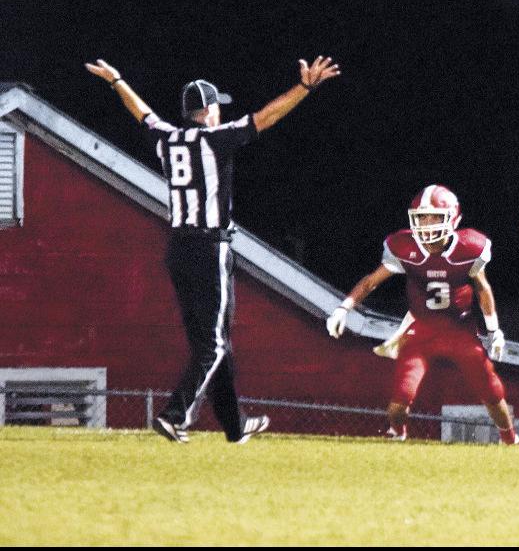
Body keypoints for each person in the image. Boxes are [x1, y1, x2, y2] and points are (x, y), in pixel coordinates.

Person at [85, 56, 340, 443]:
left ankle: (235, 425)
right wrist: (304, 89)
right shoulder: (215, 139)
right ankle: (175, 415)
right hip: (209, 246)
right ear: (206, 112)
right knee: (215, 343)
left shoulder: (169, 138)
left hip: (178, 249)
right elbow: (265, 118)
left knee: (211, 342)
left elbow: (142, 113)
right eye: (217, 106)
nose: (221, 112)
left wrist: (117, 80)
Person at [326, 185, 519, 445]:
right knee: (398, 406)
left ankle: (510, 439)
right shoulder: (404, 246)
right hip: (421, 330)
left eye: (434, 217)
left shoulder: (469, 247)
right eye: (422, 217)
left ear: (453, 218)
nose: (427, 224)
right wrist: (344, 308)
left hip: (459, 330)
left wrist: (493, 331)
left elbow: (483, 289)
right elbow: (371, 281)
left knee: (491, 390)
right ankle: (398, 434)